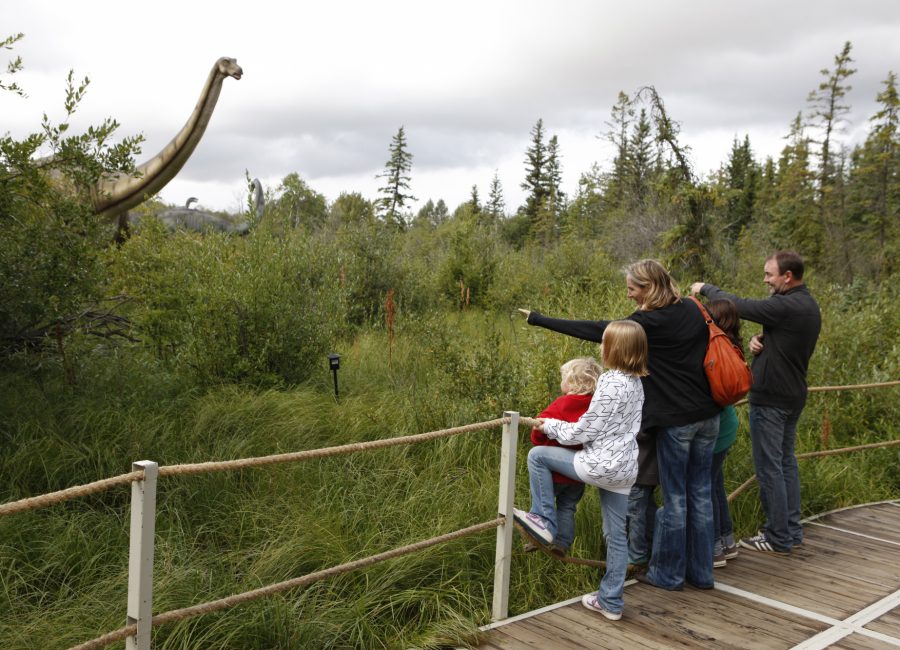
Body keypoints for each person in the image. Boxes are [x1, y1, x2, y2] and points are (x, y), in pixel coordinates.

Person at [520, 259, 721, 592]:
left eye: (632, 289)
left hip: (677, 421)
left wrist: (540, 319)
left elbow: (600, 329)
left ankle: (668, 574)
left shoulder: (647, 322)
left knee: (675, 499)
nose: (629, 296)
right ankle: (701, 573)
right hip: (709, 414)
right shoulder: (691, 307)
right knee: (700, 494)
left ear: (648, 288)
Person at [513, 320, 647, 621]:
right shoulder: (637, 383)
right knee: (617, 535)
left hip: (599, 465)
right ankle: (611, 601)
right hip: (625, 469)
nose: (601, 347)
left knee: (537, 456)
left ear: (614, 348)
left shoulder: (610, 382)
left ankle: (543, 519)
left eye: (605, 342)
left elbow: (582, 433)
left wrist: (549, 425)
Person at [691, 250, 821, 555]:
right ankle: (790, 530)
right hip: (792, 393)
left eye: (769, 274)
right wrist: (760, 344)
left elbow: (741, 307)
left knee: (769, 467)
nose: (765, 280)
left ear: (787, 276)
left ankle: (777, 536)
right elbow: (784, 343)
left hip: (773, 397)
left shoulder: (787, 304)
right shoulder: (807, 304)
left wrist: (706, 289)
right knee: (785, 462)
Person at [525, 357, 603, 557]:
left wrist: (539, 436)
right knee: (567, 507)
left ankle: (541, 531)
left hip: (556, 471)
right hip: (579, 472)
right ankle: (562, 543)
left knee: (545, 498)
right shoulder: (596, 404)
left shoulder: (563, 403)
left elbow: (538, 429)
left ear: (571, 382)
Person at [704, 299, 743, 567]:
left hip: (715, 430)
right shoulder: (731, 345)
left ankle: (715, 548)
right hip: (727, 425)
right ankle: (727, 542)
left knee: (705, 488)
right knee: (715, 485)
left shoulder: (713, 348)